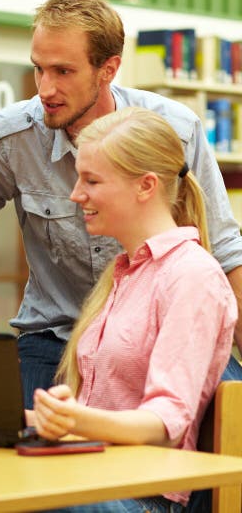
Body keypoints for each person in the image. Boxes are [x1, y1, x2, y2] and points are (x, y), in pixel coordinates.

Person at [0, 0, 242, 408]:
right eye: (39, 69)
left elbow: (225, 251)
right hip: (55, 336)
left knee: (227, 421)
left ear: (108, 68)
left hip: (160, 332)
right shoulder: (11, 135)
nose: (45, 88)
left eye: (63, 71)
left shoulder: (172, 130)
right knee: (18, 439)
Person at [28, 107, 235, 512]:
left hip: (142, 497)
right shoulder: (125, 273)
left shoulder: (192, 277)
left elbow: (165, 425)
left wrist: (75, 420)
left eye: (91, 180)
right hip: (95, 475)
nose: (76, 194)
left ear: (145, 186)